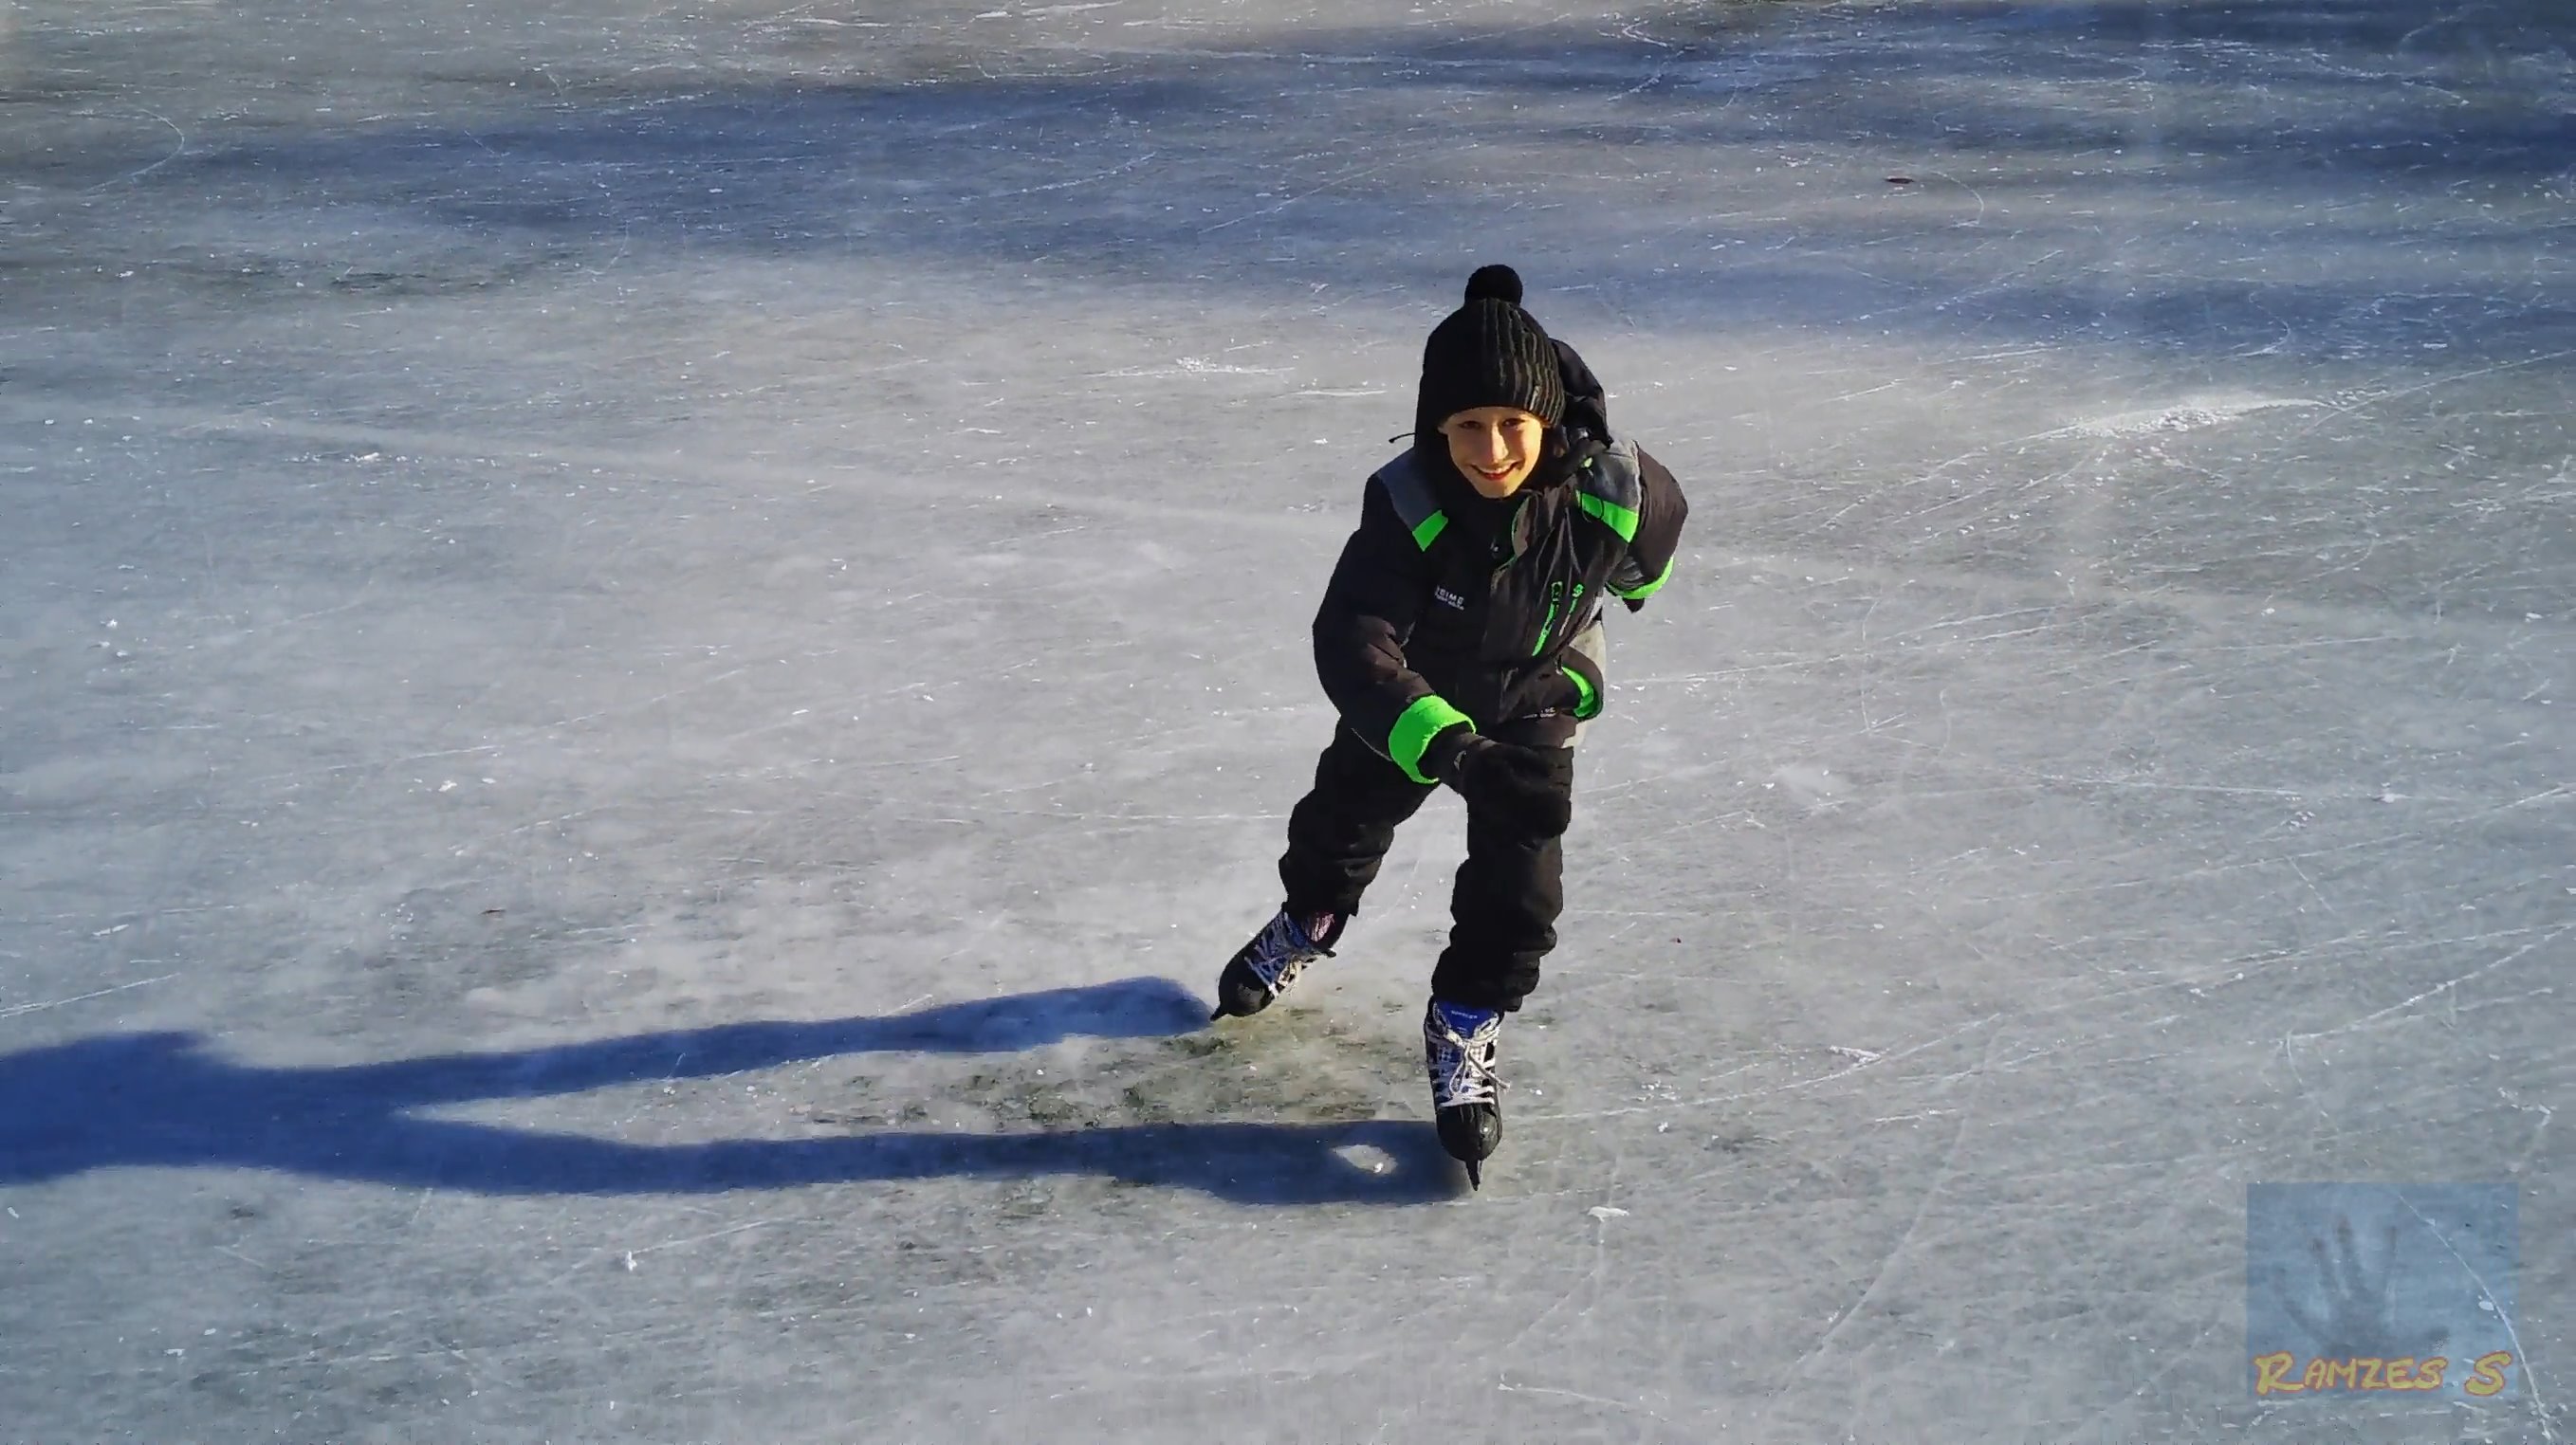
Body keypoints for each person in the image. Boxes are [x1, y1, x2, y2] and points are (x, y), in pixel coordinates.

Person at [1210, 265, 1690, 1185]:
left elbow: (1644, 569)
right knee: (1338, 827)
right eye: (1466, 427)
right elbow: (1355, 642)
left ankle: (1465, 1018)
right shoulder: (1409, 502)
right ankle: (1308, 919)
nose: (1492, 449)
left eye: (1512, 424)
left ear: (1547, 419)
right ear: (1435, 426)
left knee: (1521, 891)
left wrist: (1579, 656)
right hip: (1418, 699)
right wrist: (1447, 744)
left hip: (1534, 702)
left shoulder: (1624, 492)